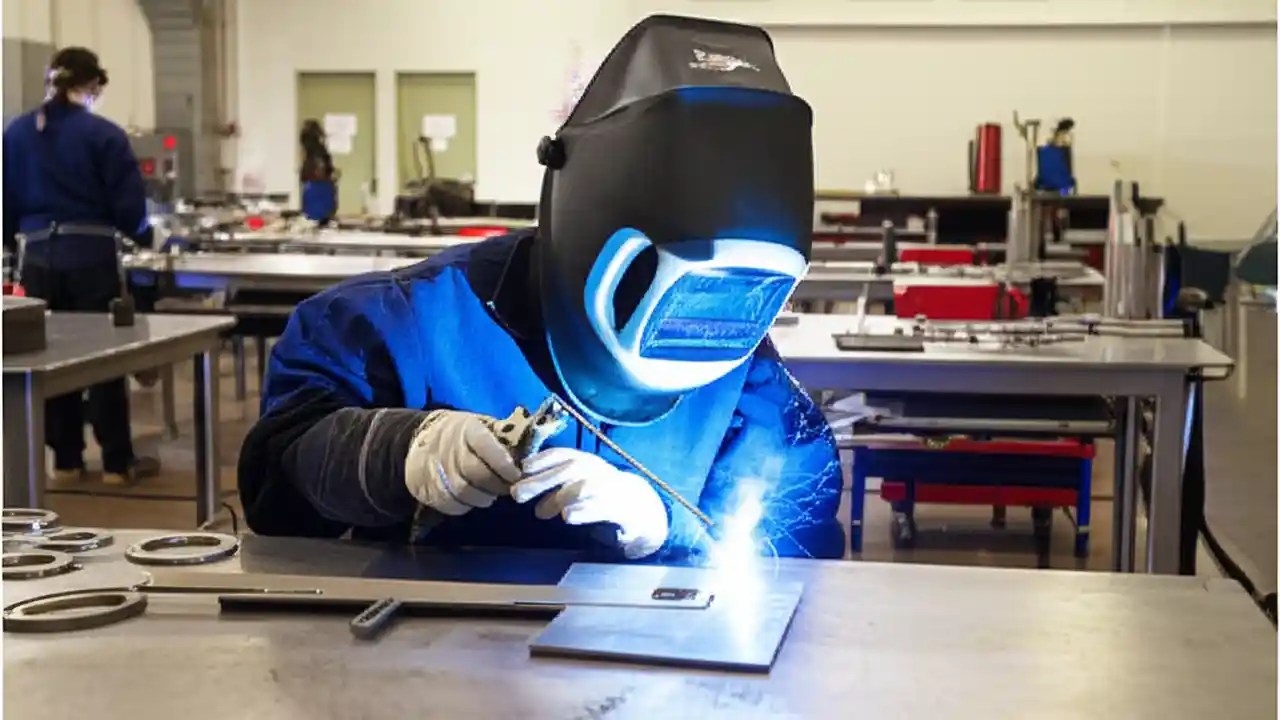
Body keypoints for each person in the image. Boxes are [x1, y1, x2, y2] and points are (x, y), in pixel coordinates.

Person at [239, 15, 844, 562]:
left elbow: (802, 528)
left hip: (643, 673)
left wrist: (669, 529)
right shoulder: (405, 321)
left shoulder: (744, 373)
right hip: (433, 664)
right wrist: (396, 452)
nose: (702, 325)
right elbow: (280, 479)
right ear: (598, 235)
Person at [2, 47, 158, 486]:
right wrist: (145, 236)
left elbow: (4, 205)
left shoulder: (14, 134)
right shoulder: (103, 135)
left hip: (34, 258)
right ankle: (115, 461)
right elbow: (130, 209)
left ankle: (67, 459)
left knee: (52, 357)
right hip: (91, 255)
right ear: (91, 87)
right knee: (105, 357)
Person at [299, 119, 338, 224]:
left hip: (317, 190)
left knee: (316, 221)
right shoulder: (320, 154)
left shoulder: (315, 156)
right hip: (319, 190)